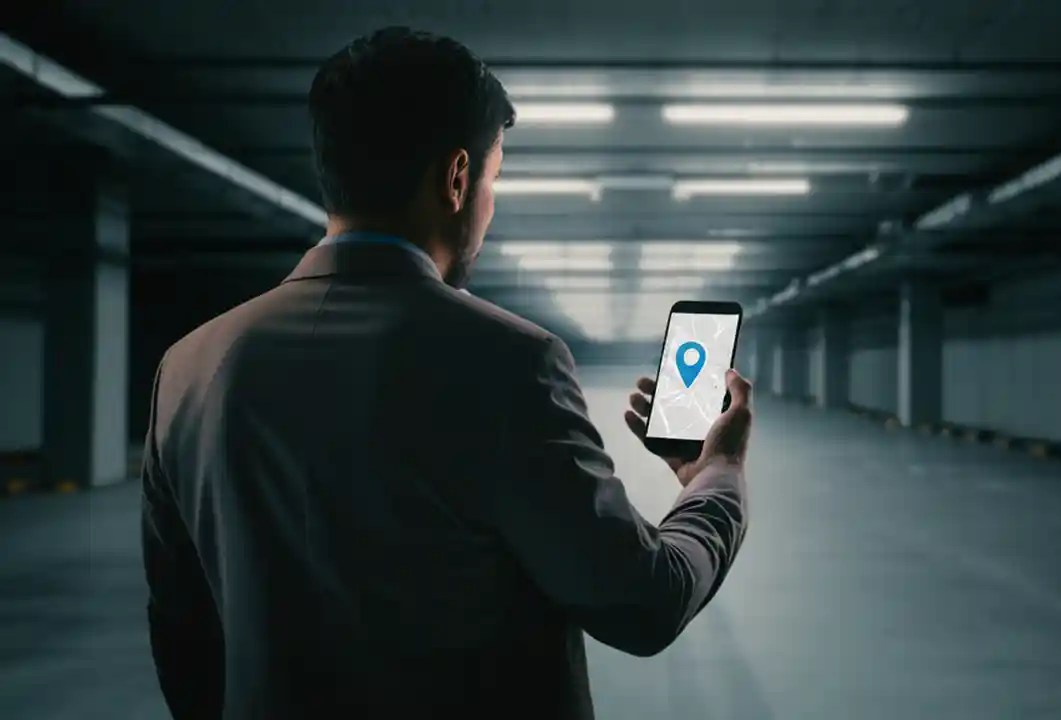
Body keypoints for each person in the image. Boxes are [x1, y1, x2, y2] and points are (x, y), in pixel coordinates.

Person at [140, 27, 753, 719]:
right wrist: (716, 477)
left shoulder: (188, 367)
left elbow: (184, 639)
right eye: (494, 178)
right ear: (457, 178)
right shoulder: (510, 362)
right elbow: (646, 602)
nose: (489, 207)